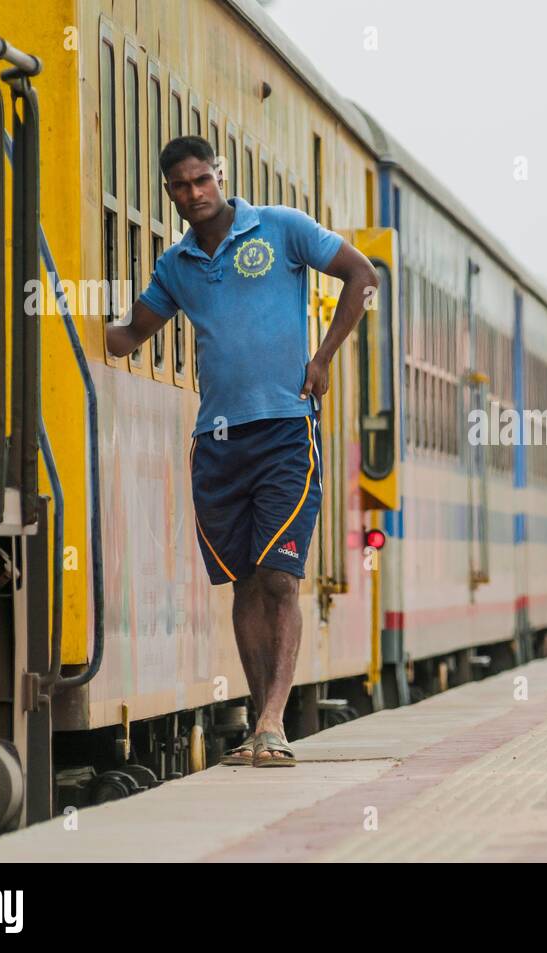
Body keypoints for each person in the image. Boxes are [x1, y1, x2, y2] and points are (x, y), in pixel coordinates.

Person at [106, 136, 379, 767]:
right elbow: (129, 338)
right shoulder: (175, 266)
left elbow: (362, 276)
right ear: (169, 192)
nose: (193, 194)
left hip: (286, 430)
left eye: (202, 180)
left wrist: (323, 358)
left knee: (280, 576)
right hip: (218, 443)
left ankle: (275, 722)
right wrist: (63, 311)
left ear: (218, 176)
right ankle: (262, 724)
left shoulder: (280, 229)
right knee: (244, 585)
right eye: (180, 186)